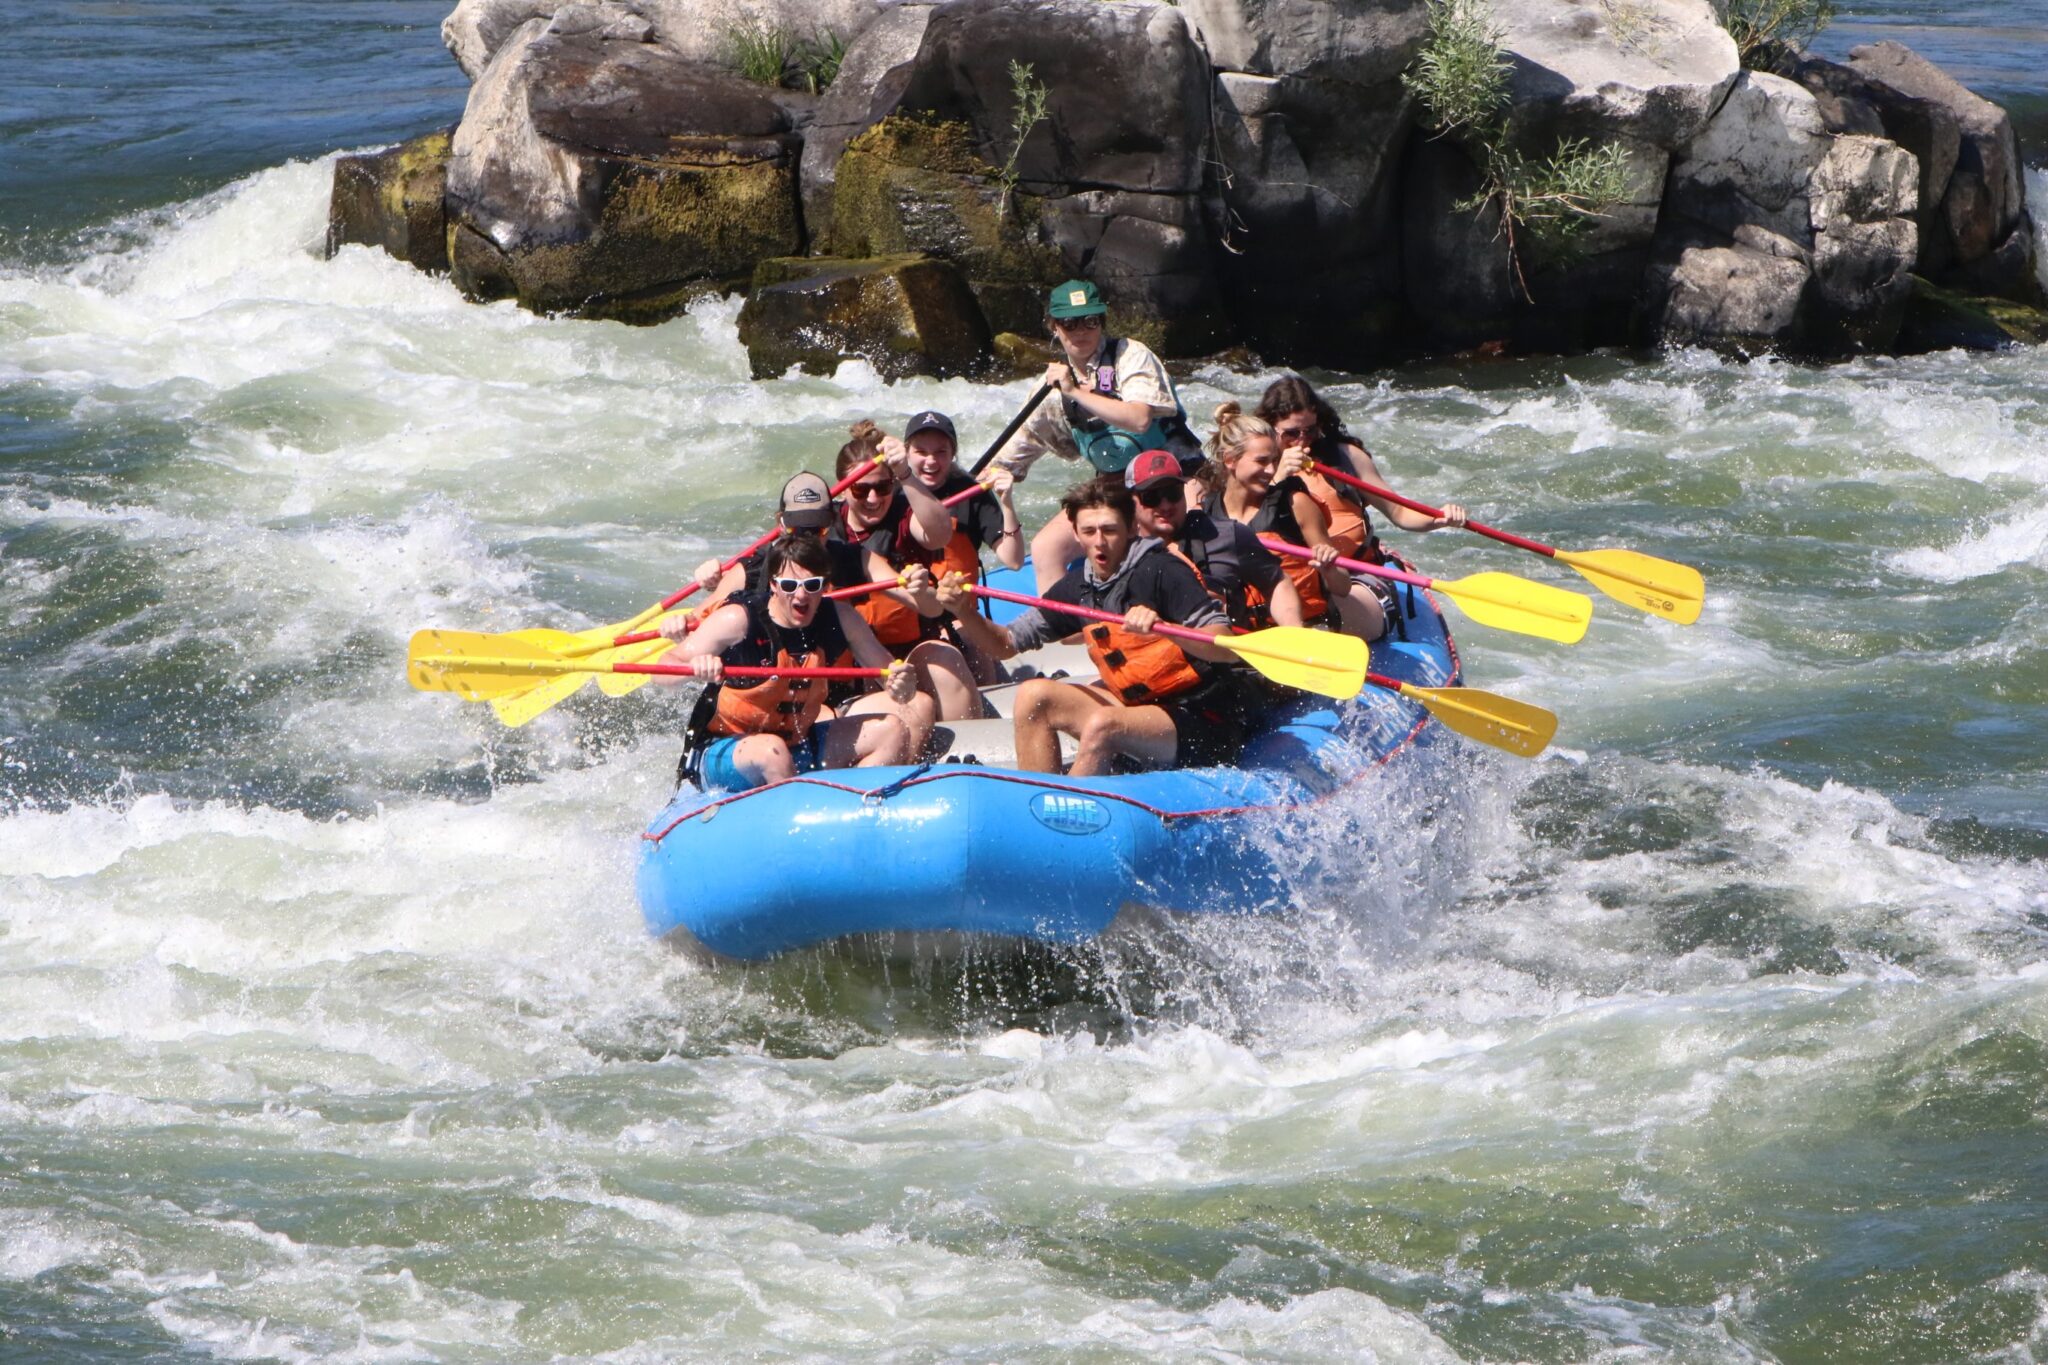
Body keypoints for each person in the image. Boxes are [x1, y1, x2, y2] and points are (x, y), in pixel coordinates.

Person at [934, 478, 1259, 777]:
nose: (1099, 542)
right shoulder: (1077, 588)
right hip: (1138, 708)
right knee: (1034, 696)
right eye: (1088, 532)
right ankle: (1037, 799)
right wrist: (966, 611)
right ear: (1075, 534)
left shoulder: (1162, 571)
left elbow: (1224, 647)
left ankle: (1067, 816)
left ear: (1131, 527)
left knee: (1102, 726)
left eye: (1110, 530)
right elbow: (1005, 644)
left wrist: (1165, 629)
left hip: (1203, 715)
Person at [662, 532, 924, 791]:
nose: (801, 596)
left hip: (796, 745)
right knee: (772, 753)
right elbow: (663, 670)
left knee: (892, 730)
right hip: (723, 753)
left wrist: (904, 684)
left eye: (812, 586)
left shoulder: (842, 619)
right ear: (773, 585)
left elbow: (894, 682)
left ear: (824, 586)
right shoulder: (738, 620)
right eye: (789, 586)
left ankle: (852, 805)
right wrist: (692, 669)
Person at [991, 279, 1207, 591]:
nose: (1080, 331)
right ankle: (1070, 628)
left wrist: (1076, 392)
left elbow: (1140, 419)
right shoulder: (1050, 390)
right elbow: (1012, 453)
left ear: (1101, 323)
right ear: (1054, 327)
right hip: (1116, 488)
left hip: (1174, 477)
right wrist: (986, 477)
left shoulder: (1131, 355)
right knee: (1045, 548)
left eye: (1090, 321)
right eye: (1069, 323)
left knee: (1176, 529)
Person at [831, 420, 983, 721]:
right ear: (842, 489)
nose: (873, 499)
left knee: (946, 660)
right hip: (850, 663)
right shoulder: (825, 530)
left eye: (883, 487)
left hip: (911, 648)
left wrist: (904, 473)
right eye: (861, 490)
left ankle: (968, 757)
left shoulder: (905, 513)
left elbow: (939, 535)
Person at [1202, 402, 1393, 640]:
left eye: (1274, 460)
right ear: (1230, 460)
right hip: (1248, 632)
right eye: (1261, 461)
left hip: (1310, 626)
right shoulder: (1207, 513)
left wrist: (1329, 567)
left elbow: (1342, 586)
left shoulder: (1295, 503)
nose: (1271, 470)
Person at [1256, 375, 1467, 564]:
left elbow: (1399, 512)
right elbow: (1245, 523)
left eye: (1310, 430)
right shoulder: (1254, 466)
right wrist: (1279, 477)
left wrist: (1438, 518)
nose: (1301, 441)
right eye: (1291, 433)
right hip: (1287, 574)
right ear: (1269, 428)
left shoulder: (1347, 456)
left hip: (1352, 571)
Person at [1125, 448, 1306, 632]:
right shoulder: (1117, 551)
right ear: (1130, 502)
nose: (1165, 505)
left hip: (1227, 652)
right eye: (1152, 497)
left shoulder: (1227, 535)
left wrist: (1294, 631)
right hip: (1160, 655)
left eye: (1173, 493)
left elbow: (1276, 582)